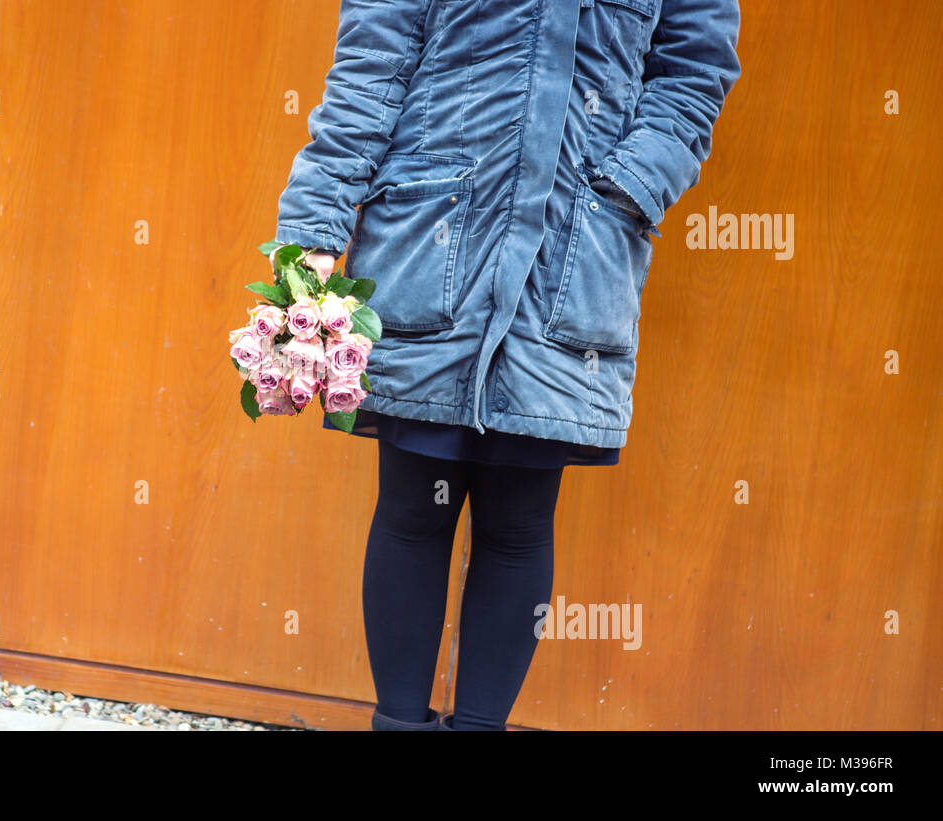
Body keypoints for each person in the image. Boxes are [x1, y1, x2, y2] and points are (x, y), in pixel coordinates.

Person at [271, 0, 741, 730]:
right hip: (430, 235)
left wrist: (625, 190)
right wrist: (315, 225)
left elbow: (695, 69)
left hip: (572, 252)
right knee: (410, 504)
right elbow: (372, 62)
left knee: (519, 518)